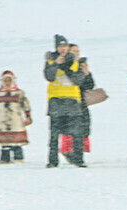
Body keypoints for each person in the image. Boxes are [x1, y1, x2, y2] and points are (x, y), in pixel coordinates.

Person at [44, 34, 86, 167]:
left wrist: (66, 68)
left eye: (65, 46)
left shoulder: (75, 61)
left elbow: (78, 80)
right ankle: (53, 161)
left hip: (72, 100)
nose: (63, 49)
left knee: (77, 133)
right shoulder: (51, 60)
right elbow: (49, 77)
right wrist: (56, 64)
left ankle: (79, 160)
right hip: (56, 100)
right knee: (54, 135)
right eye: (60, 46)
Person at [0, 70, 31, 164]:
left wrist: (28, 117)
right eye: (5, 80)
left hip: (16, 120)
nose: (7, 83)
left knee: (16, 141)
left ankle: (18, 157)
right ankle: (5, 158)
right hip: (2, 121)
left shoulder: (19, 93)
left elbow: (26, 105)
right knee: (4, 141)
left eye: (9, 80)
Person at [59, 44, 94, 161]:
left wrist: (87, 74)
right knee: (69, 128)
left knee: (83, 127)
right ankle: (69, 151)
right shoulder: (65, 65)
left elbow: (89, 85)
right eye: (74, 51)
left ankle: (79, 152)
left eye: (78, 51)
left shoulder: (82, 65)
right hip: (67, 101)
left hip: (81, 101)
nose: (76, 54)